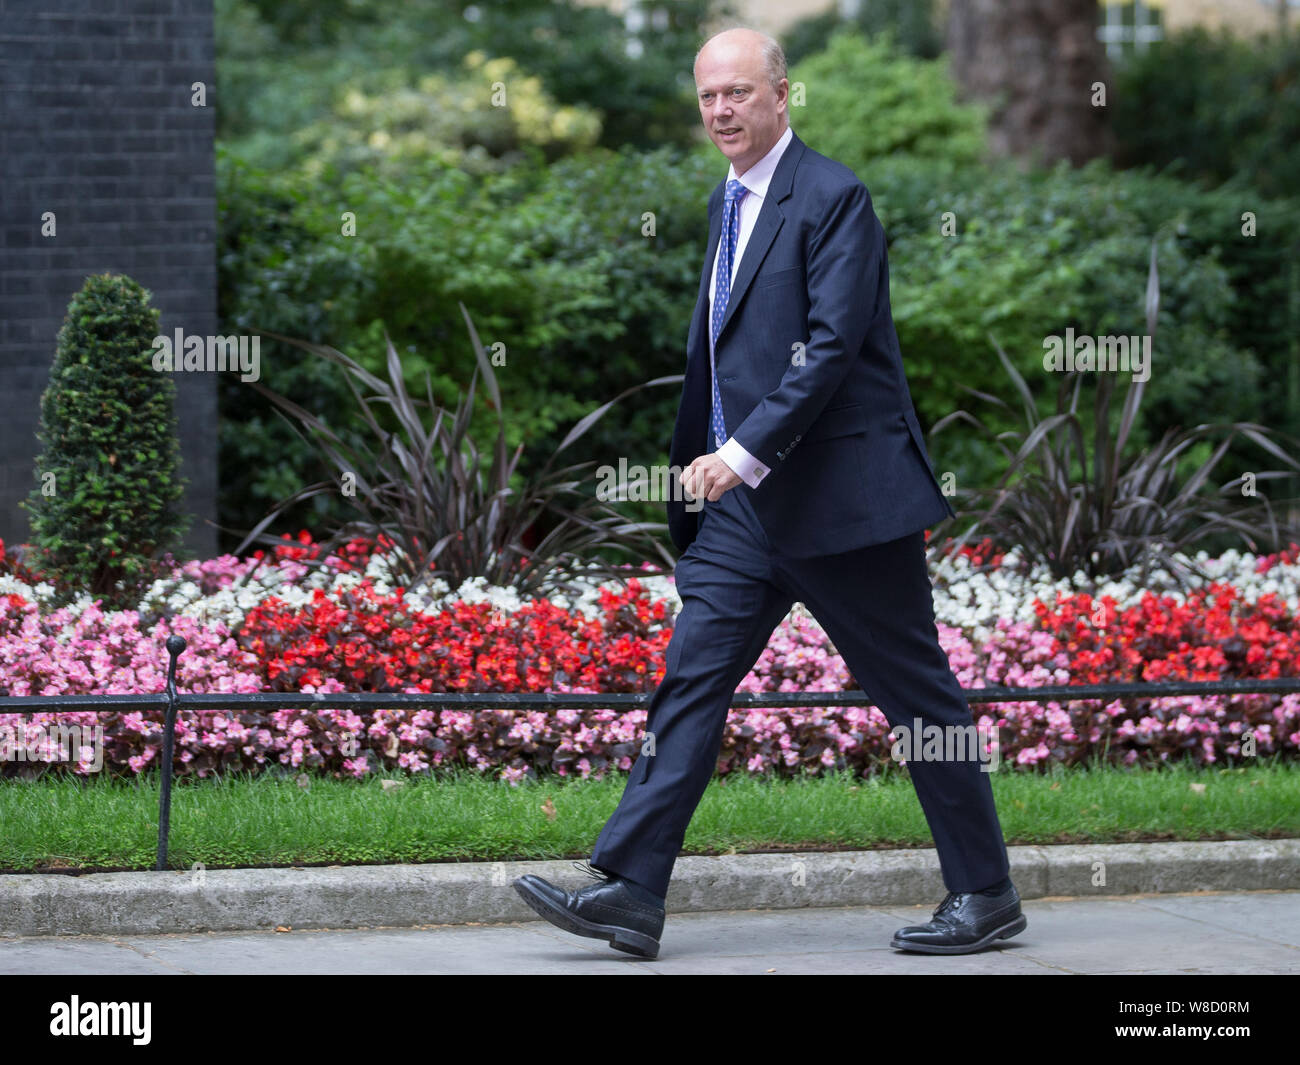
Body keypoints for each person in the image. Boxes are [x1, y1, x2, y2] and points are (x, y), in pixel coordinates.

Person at [514, 26, 1025, 961]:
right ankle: (631, 886)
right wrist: (718, 464)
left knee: (918, 698)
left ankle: (986, 893)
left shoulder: (834, 198)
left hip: (844, 505)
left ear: (783, 95)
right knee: (691, 678)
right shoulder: (727, 201)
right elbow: (726, 350)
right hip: (747, 514)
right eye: (708, 96)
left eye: (739, 93)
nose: (721, 111)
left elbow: (829, 348)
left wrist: (740, 451)